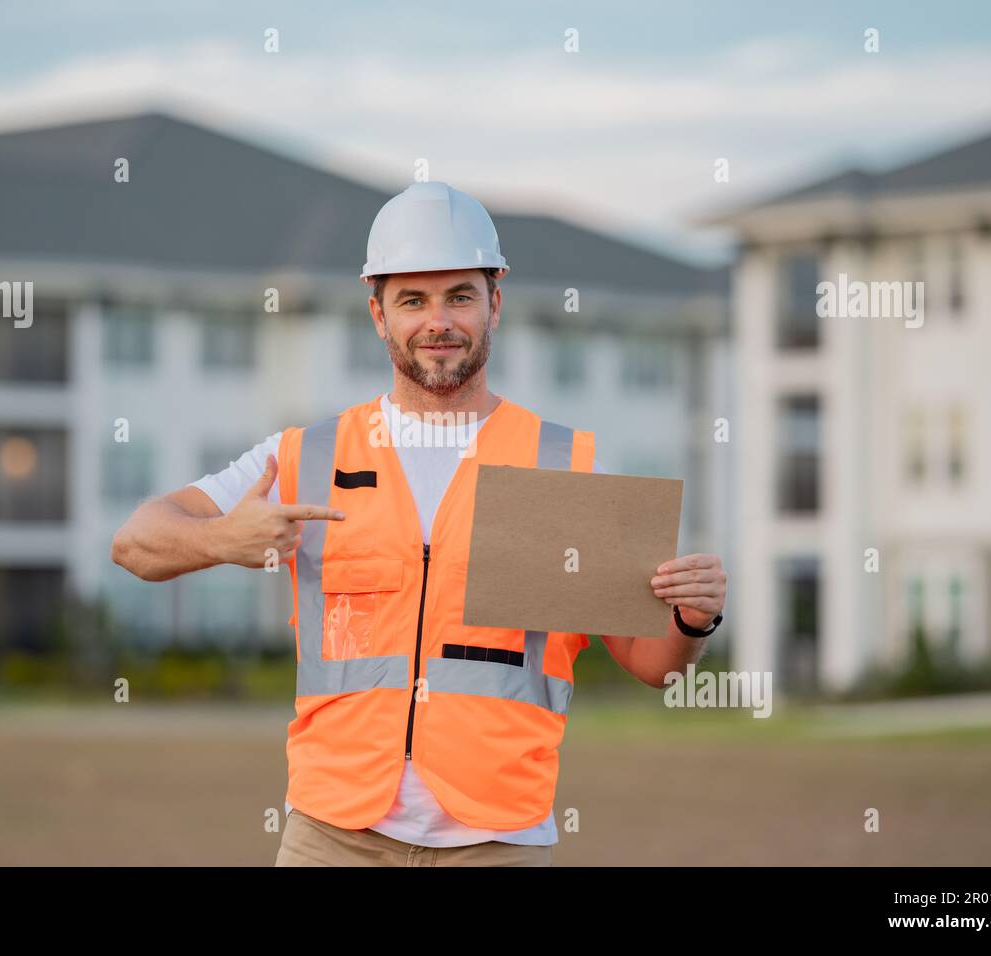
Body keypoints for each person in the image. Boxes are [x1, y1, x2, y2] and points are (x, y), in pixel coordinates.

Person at [111, 181, 727, 866]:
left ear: (495, 301)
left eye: (459, 296)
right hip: (332, 832)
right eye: (413, 300)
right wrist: (218, 539)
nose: (439, 321)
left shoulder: (564, 466)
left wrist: (692, 622)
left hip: (498, 838)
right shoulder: (306, 456)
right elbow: (135, 541)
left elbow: (650, 665)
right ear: (378, 313)